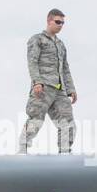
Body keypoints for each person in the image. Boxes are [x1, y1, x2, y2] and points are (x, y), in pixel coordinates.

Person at [18, 8, 78, 154]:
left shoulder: (61, 45)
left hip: (59, 90)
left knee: (68, 122)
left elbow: (65, 68)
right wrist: (37, 82)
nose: (60, 25)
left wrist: (71, 88)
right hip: (43, 87)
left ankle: (65, 152)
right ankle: (23, 149)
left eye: (63, 23)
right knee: (36, 119)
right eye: (58, 22)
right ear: (49, 20)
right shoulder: (37, 40)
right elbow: (32, 62)